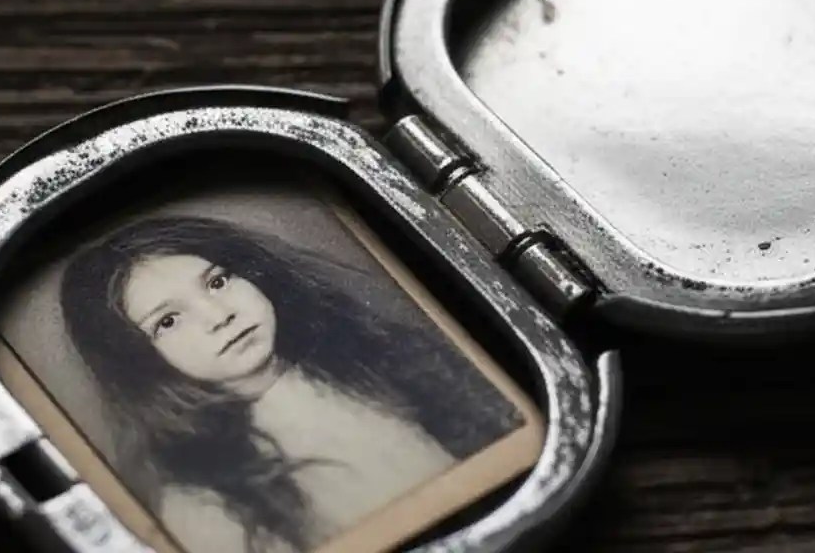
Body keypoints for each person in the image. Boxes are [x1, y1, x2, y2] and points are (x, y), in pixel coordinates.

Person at [59, 215, 522, 553]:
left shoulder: (375, 355)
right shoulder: (199, 500)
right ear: (136, 358)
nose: (220, 316)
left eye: (218, 282)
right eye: (168, 321)